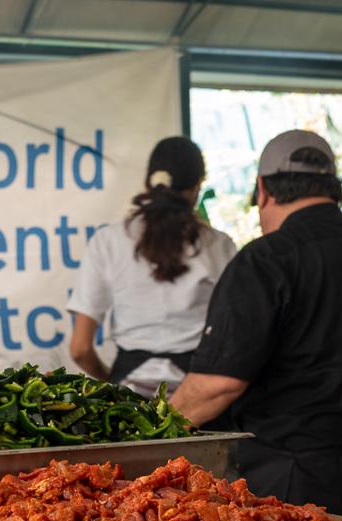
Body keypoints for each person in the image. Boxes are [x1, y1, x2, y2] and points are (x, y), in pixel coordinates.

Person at [172, 130, 342, 521]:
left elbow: (218, 384)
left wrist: (151, 434)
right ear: (334, 190)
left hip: (297, 489)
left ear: (263, 190)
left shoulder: (265, 261)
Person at [68, 136, 237, 398]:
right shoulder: (219, 246)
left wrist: (113, 382)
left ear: (149, 182)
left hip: (129, 401)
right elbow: (233, 338)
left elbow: (80, 349)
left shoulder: (107, 241)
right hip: (197, 399)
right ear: (196, 187)